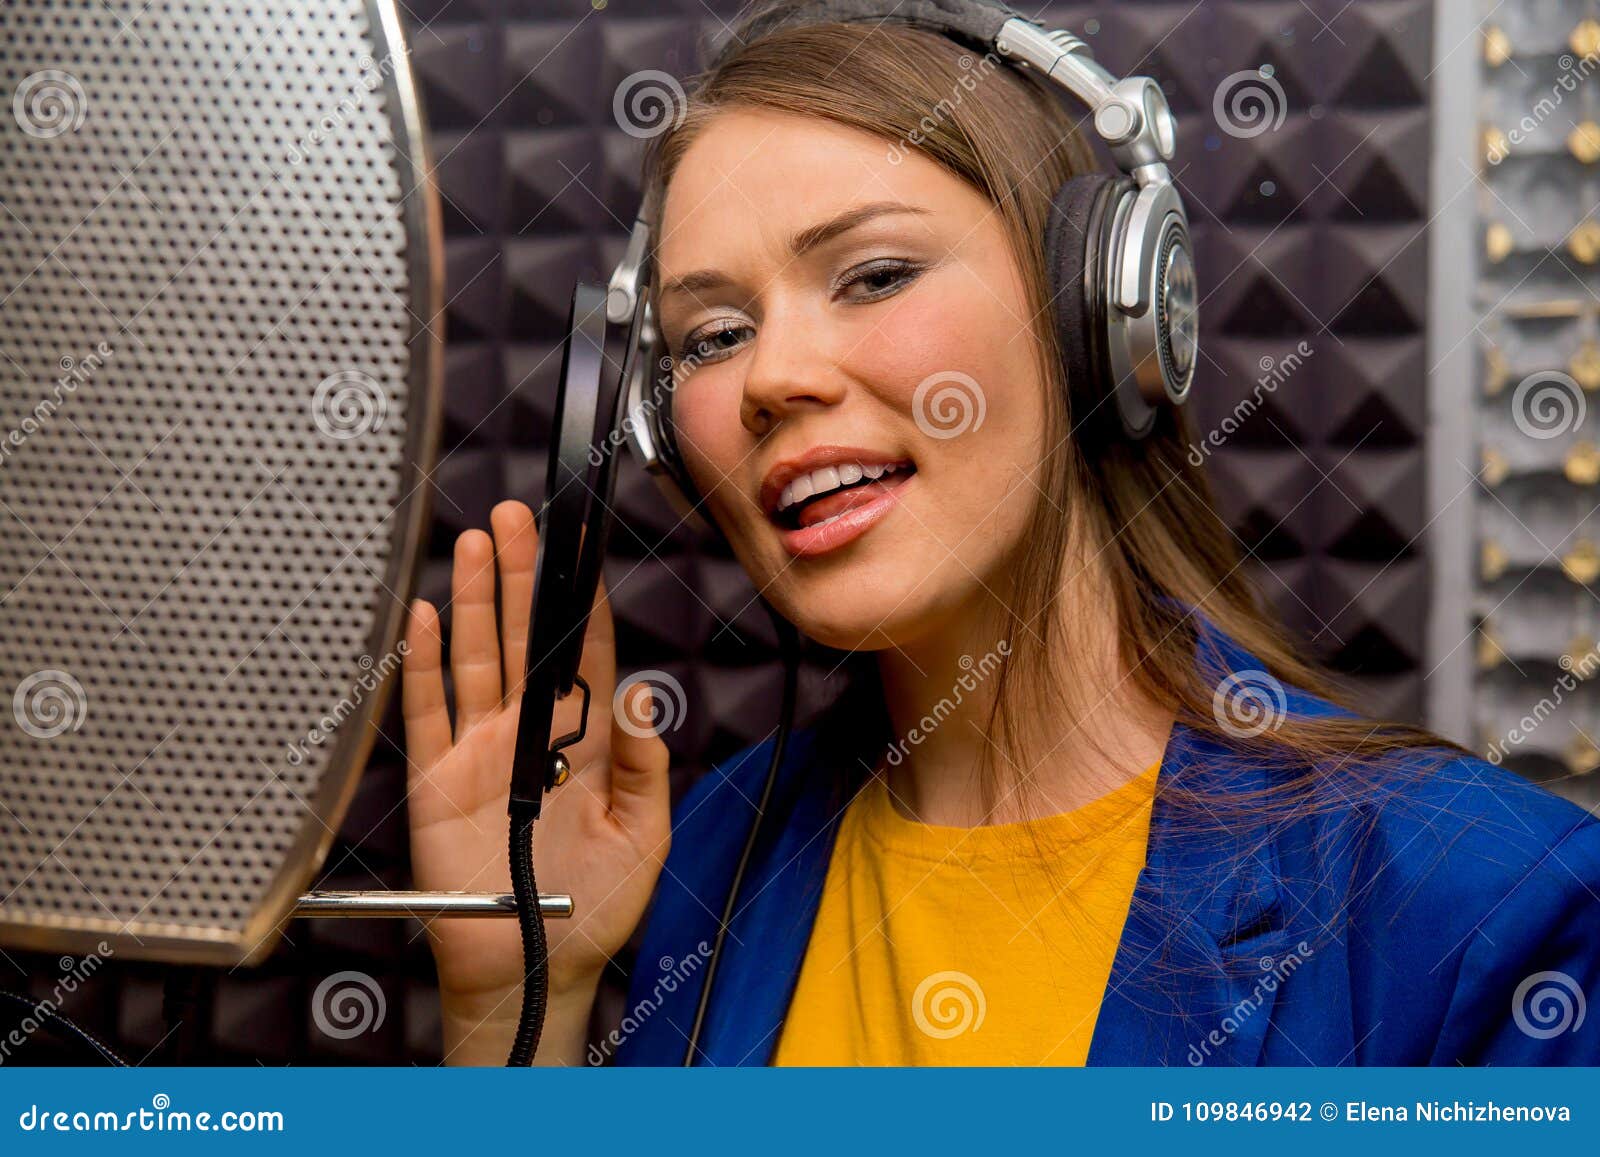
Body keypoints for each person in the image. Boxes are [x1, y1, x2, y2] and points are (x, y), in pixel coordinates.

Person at [399, 6, 1600, 1066]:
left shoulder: (1484, 908)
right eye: (710, 336)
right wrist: (520, 1007)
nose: (774, 376)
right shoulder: (687, 868)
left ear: (1101, 313)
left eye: (872, 274)